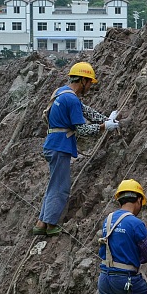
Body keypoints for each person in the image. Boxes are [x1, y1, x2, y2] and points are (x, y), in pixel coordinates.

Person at [32, 62, 121, 236]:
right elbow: (82, 129)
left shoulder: (61, 93)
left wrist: (106, 119)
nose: (90, 87)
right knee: (60, 187)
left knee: (54, 185)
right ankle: (50, 225)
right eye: (89, 83)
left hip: (53, 144)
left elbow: (85, 110)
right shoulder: (71, 99)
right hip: (60, 147)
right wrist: (104, 127)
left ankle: (41, 224)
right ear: (82, 81)